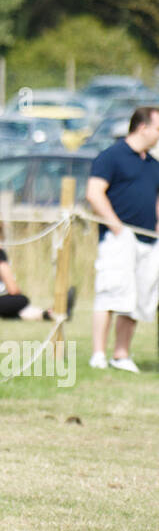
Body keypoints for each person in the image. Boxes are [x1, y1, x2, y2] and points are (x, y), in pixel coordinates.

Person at [86, 105, 159, 373]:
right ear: (142, 127)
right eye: (158, 128)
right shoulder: (111, 156)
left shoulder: (153, 165)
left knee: (137, 298)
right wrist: (117, 228)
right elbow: (95, 193)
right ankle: (98, 354)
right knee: (110, 293)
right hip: (119, 240)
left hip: (148, 242)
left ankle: (121, 354)